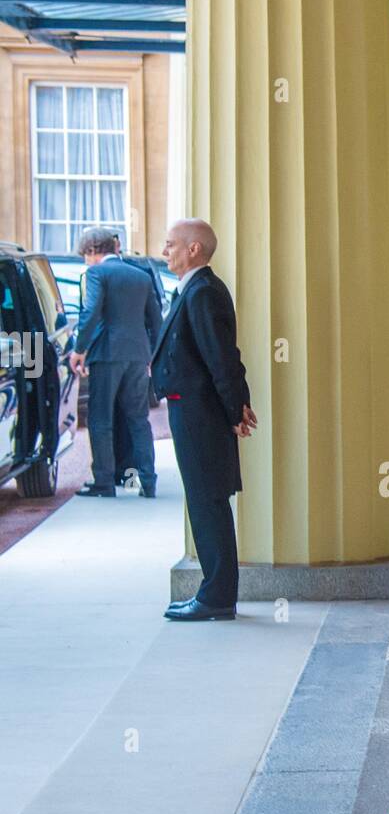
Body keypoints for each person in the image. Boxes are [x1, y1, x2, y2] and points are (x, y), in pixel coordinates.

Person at [151, 219, 257, 621]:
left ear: (194, 249)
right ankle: (215, 594)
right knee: (205, 501)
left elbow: (221, 357)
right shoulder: (195, 289)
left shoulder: (203, 292)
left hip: (200, 413)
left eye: (171, 245)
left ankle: (216, 597)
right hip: (193, 411)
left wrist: (235, 409)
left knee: (208, 501)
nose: (165, 252)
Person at [70, 227, 162, 499]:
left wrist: (79, 349)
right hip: (137, 355)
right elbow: (155, 321)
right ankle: (148, 479)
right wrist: (153, 357)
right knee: (139, 419)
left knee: (100, 419)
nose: (85, 261)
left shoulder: (97, 273)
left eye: (85, 255)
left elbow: (91, 311)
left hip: (106, 354)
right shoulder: (141, 275)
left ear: (92, 251)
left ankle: (104, 481)